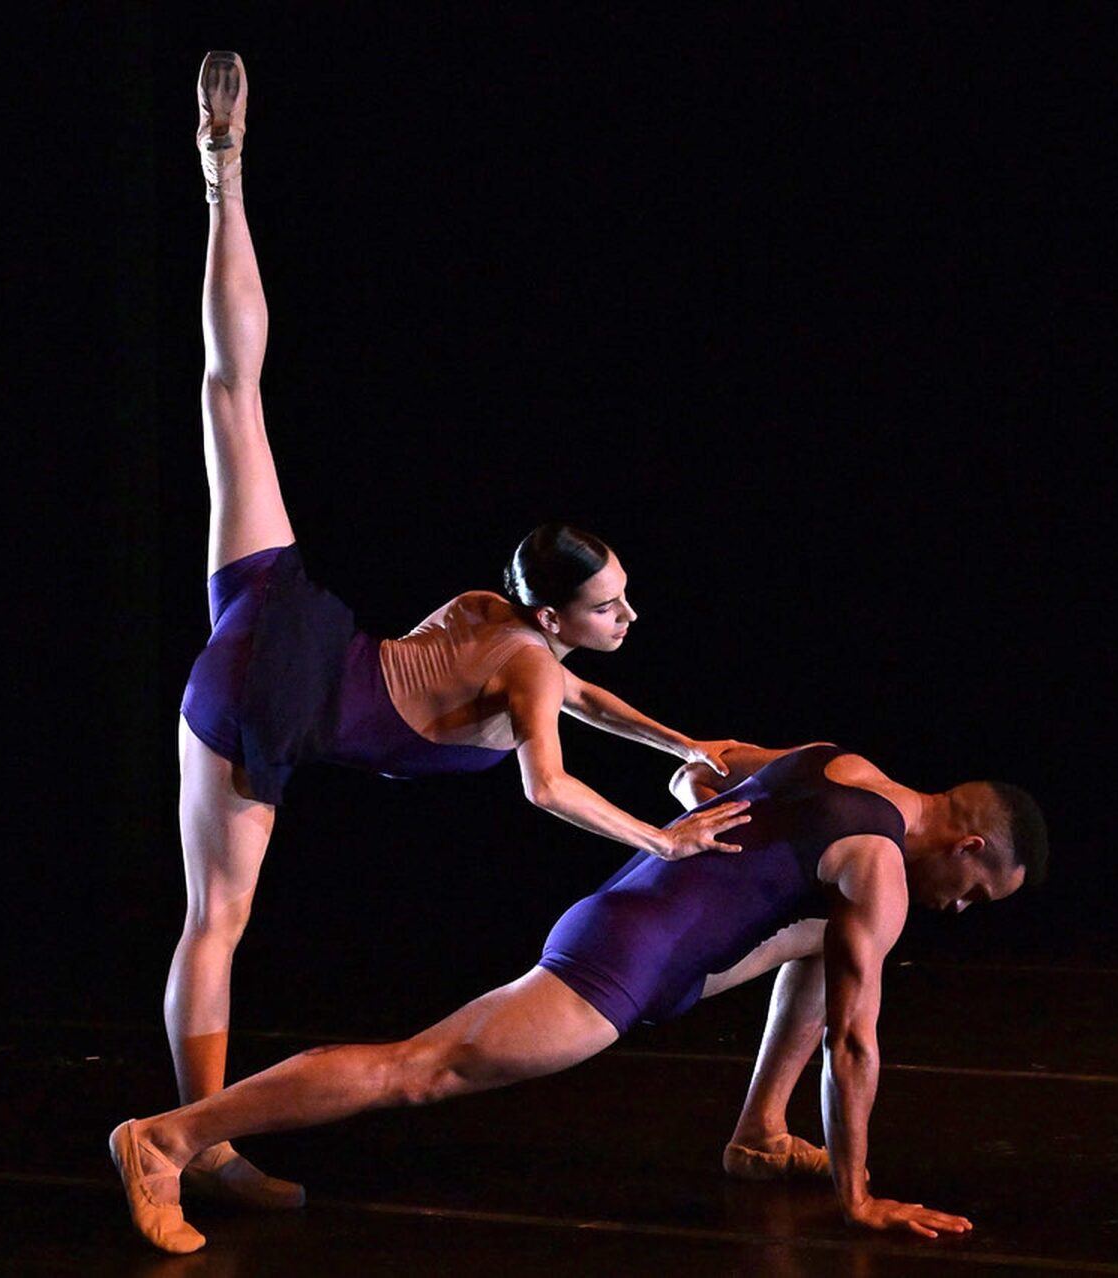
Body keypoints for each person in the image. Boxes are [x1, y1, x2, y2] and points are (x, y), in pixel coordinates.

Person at [171, 51, 751, 1211]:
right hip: (279, 701)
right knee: (218, 920)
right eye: (609, 606)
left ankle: (220, 171)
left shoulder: (502, 624)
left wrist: (687, 746)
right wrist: (663, 842)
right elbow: (547, 781)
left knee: (234, 393)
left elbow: (593, 703)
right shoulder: (530, 664)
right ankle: (196, 1146)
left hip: (273, 607)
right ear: (551, 615)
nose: (628, 616)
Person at [109, 741, 1050, 1252]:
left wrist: (687, 781)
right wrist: (860, 1197)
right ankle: (167, 1138)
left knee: (820, 936)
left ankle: (759, 1134)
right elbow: (856, 1044)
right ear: (970, 845)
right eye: (975, 891)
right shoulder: (883, 872)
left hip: (633, 915)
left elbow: (709, 760)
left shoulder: (843, 763)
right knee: (421, 1070)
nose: (960, 908)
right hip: (618, 964)